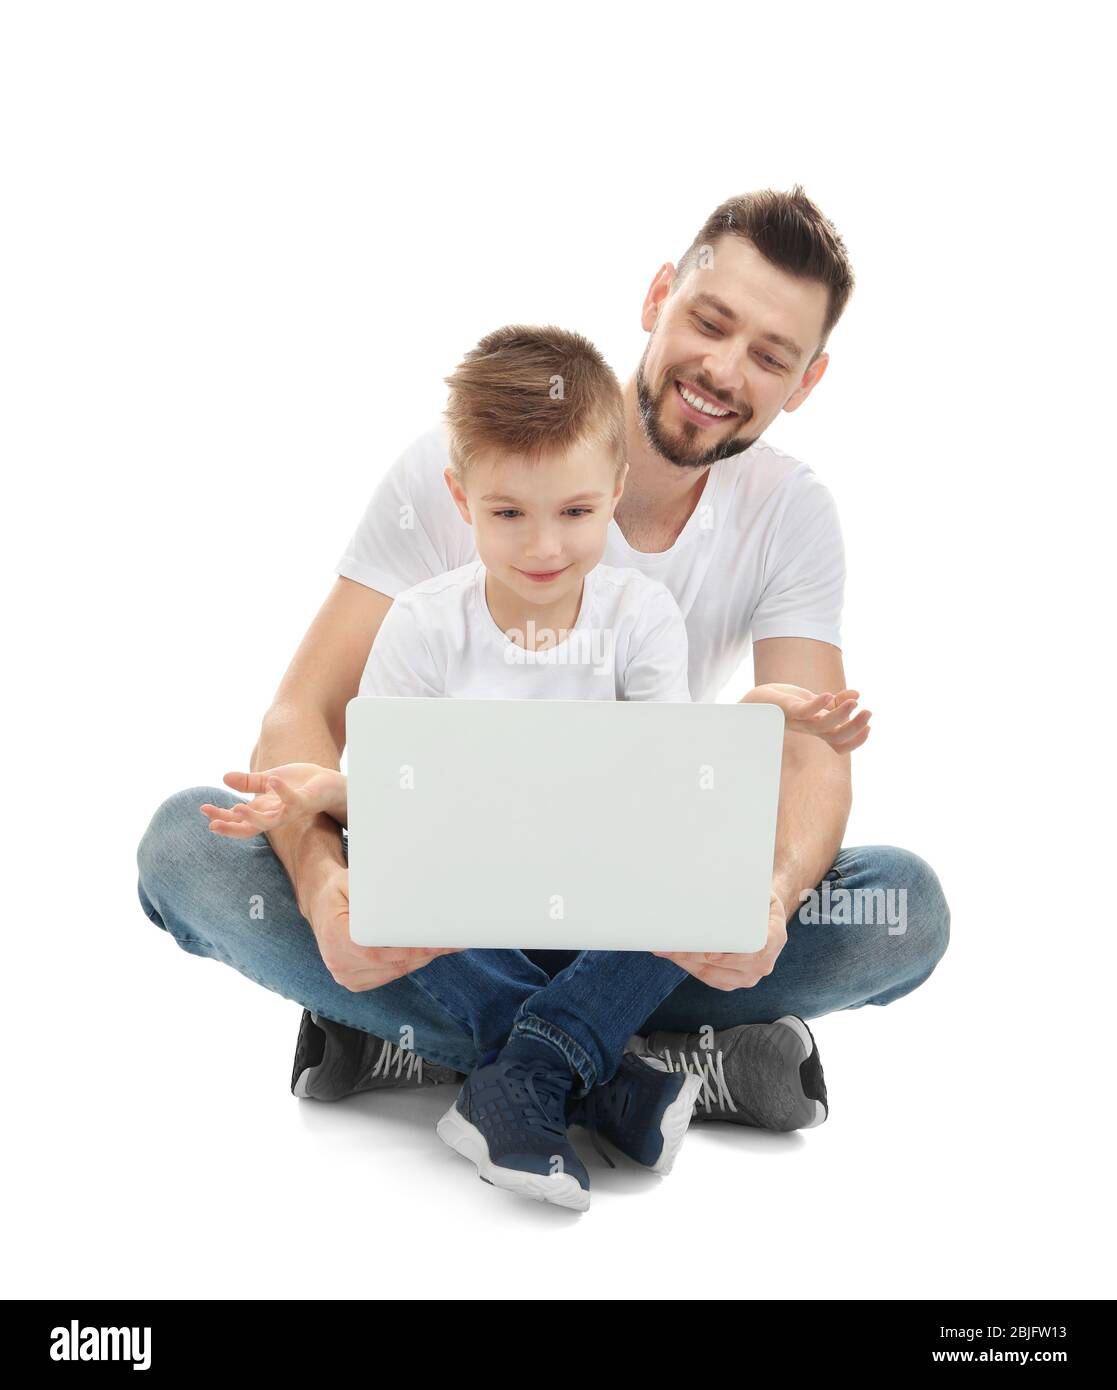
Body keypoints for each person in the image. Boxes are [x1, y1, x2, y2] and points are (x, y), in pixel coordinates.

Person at [137, 184, 950, 1211]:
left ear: (808, 380)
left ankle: (425, 1042)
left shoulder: (789, 513)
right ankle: (647, 1062)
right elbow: (300, 716)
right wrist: (322, 887)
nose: (722, 371)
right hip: (452, 889)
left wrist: (771, 895)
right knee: (185, 847)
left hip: (634, 910)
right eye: (709, 322)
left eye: (770, 356)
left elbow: (812, 759)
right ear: (658, 297)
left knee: (900, 908)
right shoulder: (464, 462)